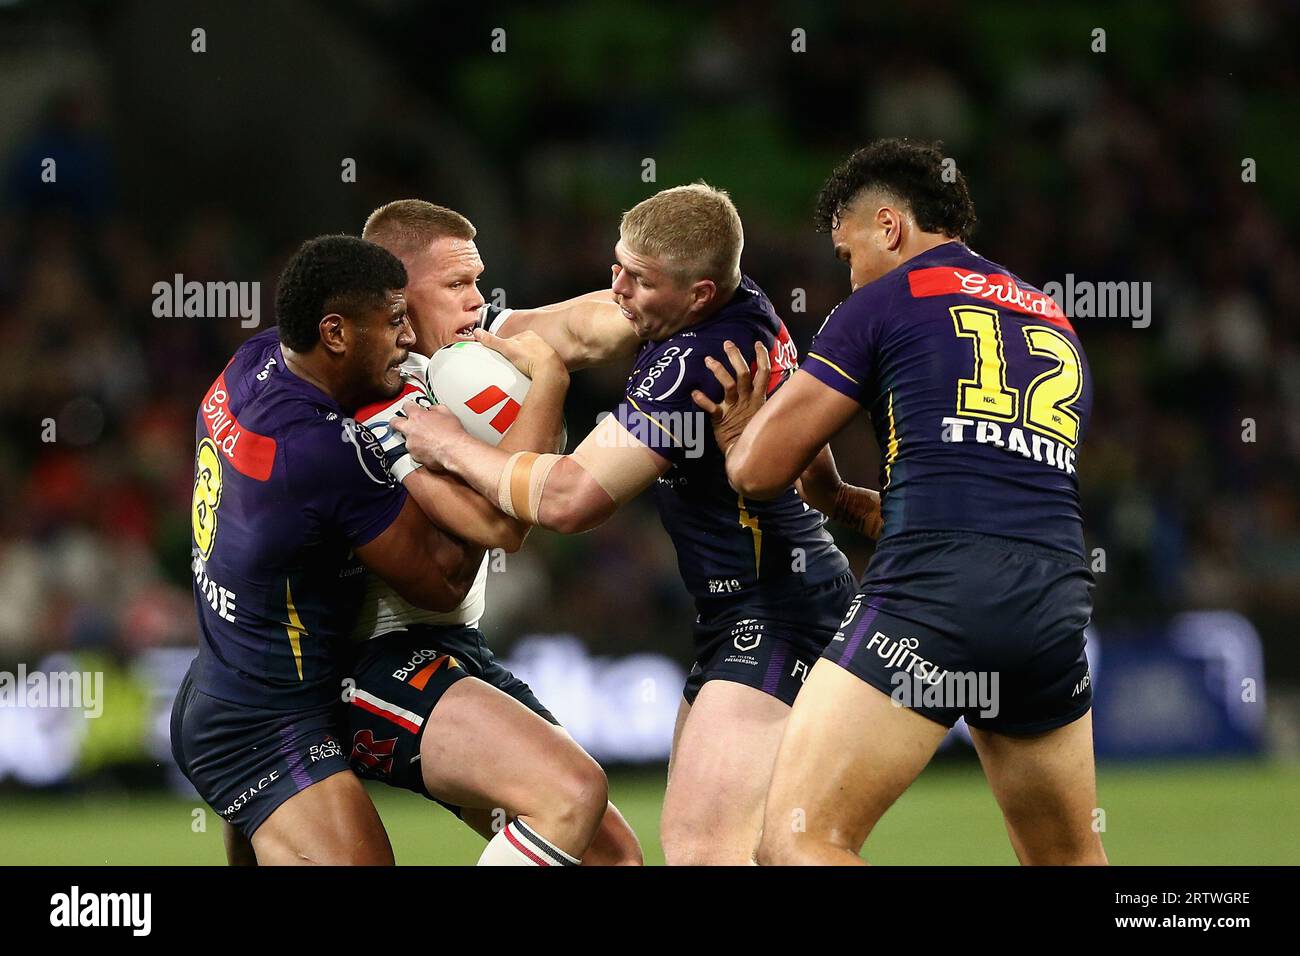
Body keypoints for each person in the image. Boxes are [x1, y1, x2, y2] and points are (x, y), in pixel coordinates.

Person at [393, 184, 876, 864]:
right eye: (617, 265)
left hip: (776, 613)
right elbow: (588, 326)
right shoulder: (725, 303)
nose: (617, 287)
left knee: (706, 849)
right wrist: (840, 498)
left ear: (699, 292)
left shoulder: (695, 363)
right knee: (761, 849)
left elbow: (569, 502)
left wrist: (448, 445)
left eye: (638, 280)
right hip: (753, 608)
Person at [712, 138, 1105, 865]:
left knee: (799, 843)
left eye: (847, 252)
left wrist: (741, 437)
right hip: (1054, 600)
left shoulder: (886, 299)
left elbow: (760, 473)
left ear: (888, 227)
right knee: (1071, 860)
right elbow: (992, 475)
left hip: (935, 593)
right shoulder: (1052, 318)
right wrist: (845, 501)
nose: (850, 273)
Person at [343, 200, 641, 865]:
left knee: (610, 856)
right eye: (458, 285)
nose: (479, 300)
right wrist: (550, 387)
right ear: (396, 289)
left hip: (451, 643)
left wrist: (656, 297)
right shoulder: (375, 387)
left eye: (479, 281)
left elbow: (582, 327)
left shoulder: (462, 350)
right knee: (569, 793)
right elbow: (506, 524)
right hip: (372, 662)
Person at [171, 235, 484, 865]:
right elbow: (443, 583)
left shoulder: (255, 357)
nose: (409, 337)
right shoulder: (318, 453)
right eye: (395, 320)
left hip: (228, 681)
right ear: (335, 333)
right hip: (263, 723)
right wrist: (475, 448)